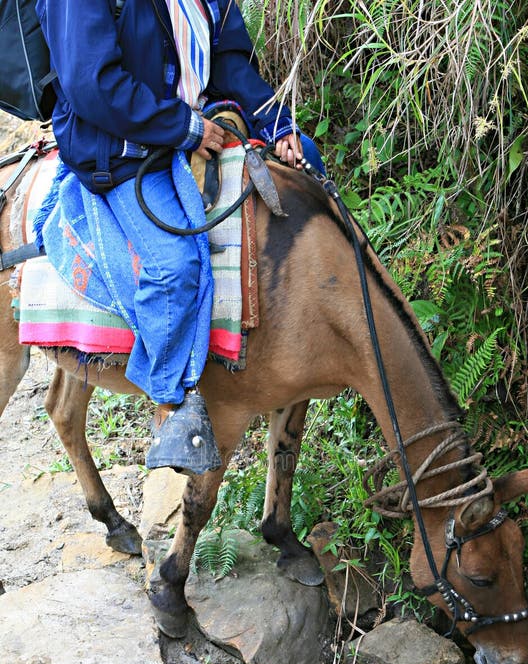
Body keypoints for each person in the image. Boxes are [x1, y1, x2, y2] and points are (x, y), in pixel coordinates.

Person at [35, 0, 323, 474]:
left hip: (191, 121)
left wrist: (279, 124)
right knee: (175, 268)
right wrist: (184, 128)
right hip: (120, 142)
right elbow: (93, 85)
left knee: (306, 173)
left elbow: (229, 60)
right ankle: (169, 404)